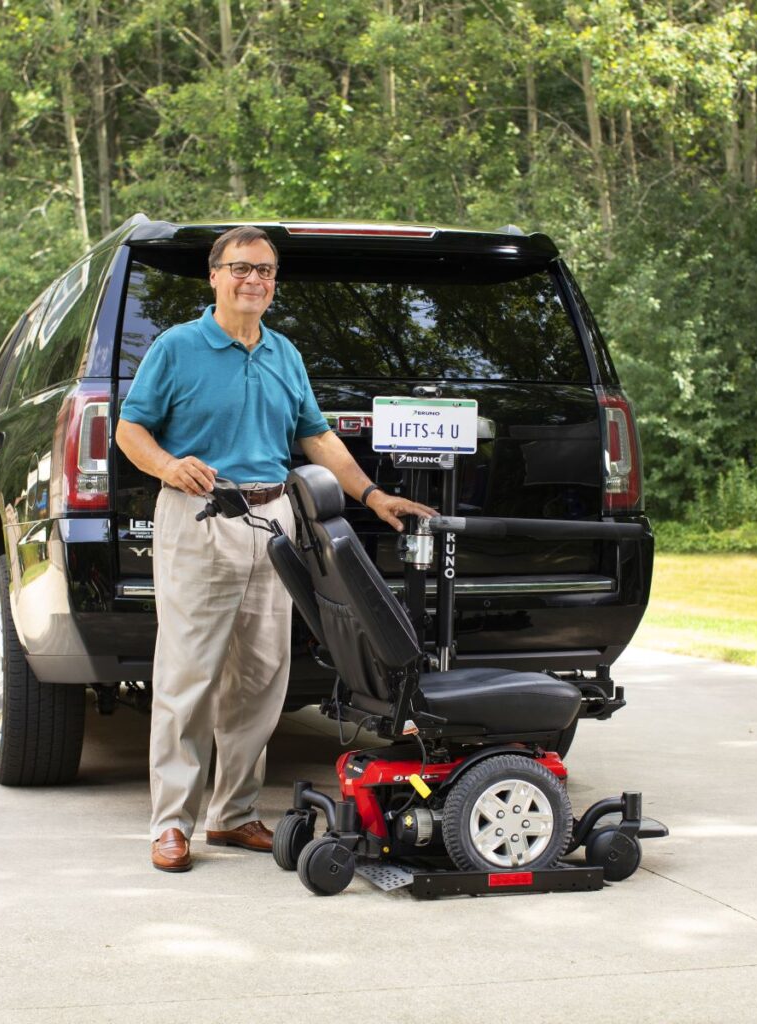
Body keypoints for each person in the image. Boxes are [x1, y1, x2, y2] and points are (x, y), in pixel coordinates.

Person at [115, 225, 435, 872]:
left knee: (261, 678)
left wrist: (372, 496)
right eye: (241, 268)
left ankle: (232, 816)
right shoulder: (178, 348)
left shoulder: (285, 353)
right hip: (201, 515)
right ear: (215, 276)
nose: (254, 280)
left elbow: (317, 439)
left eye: (265, 271)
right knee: (188, 677)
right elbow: (129, 429)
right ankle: (170, 823)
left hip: (275, 521)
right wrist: (168, 466)